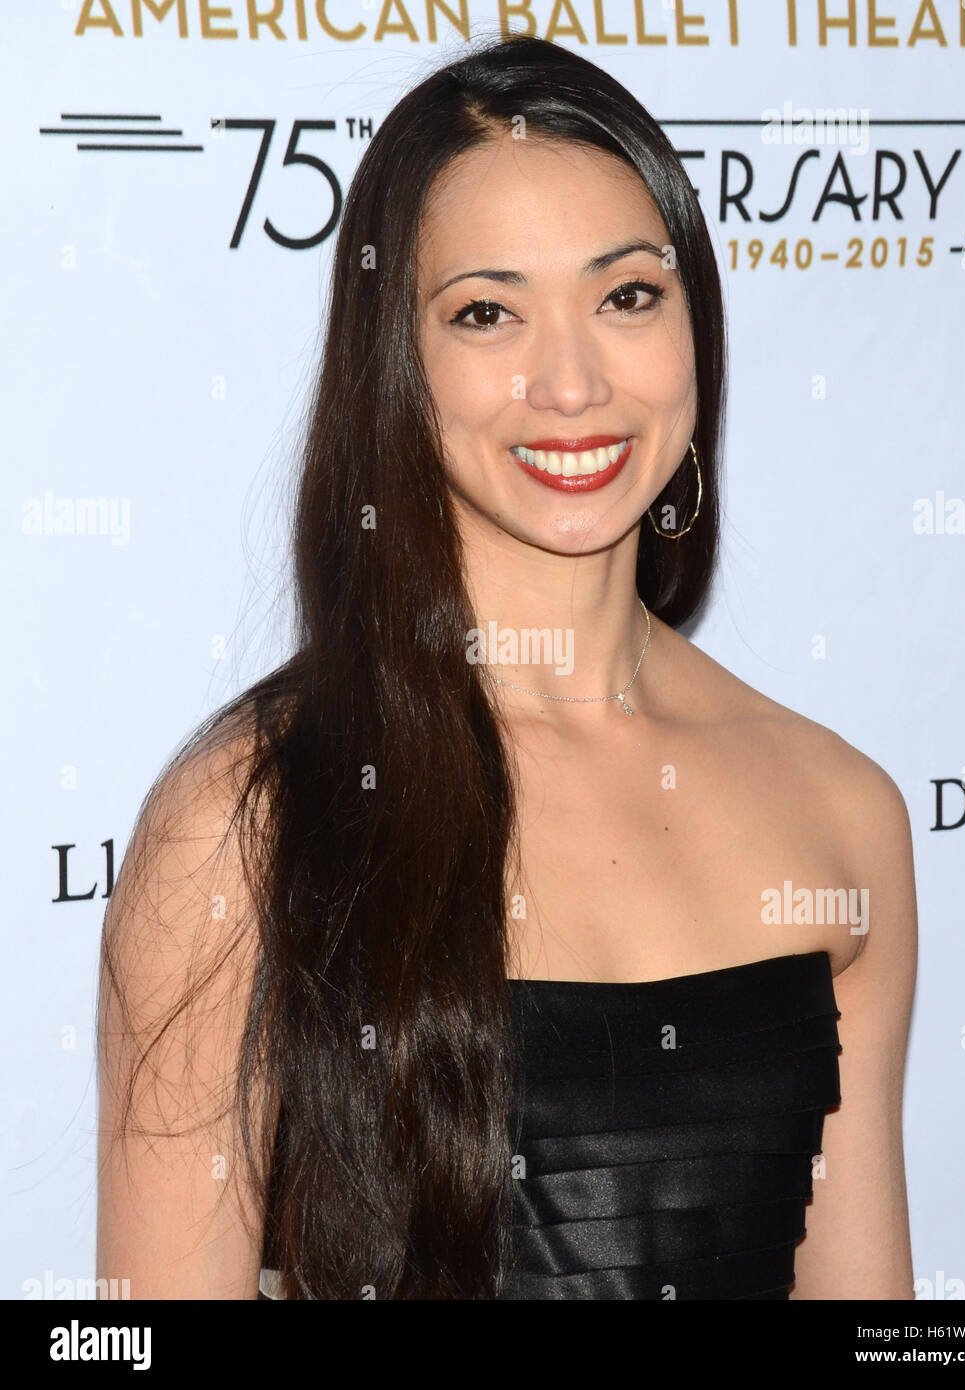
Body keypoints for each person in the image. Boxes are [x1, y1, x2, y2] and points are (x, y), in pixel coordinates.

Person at [95, 34, 917, 1301]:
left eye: (626, 295)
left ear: (695, 321)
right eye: (487, 312)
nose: (572, 381)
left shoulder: (838, 811)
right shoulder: (248, 823)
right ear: (396, 374)